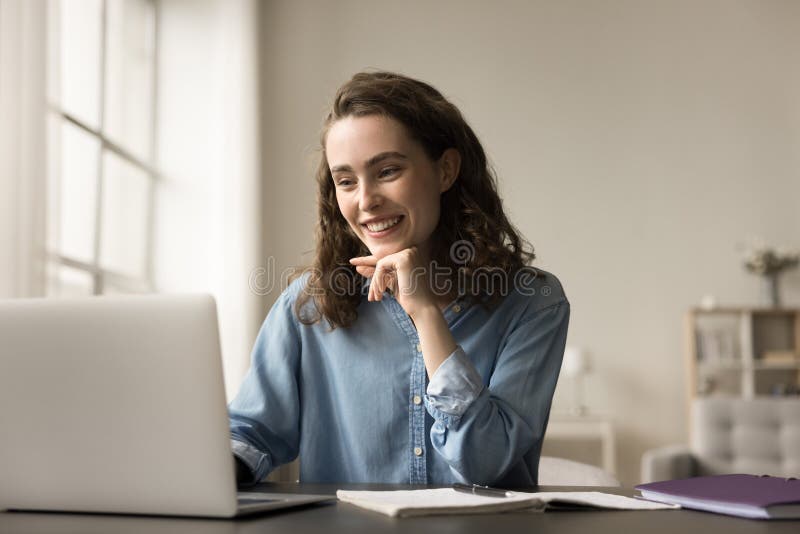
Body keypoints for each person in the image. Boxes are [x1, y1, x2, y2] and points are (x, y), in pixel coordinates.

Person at [228, 71, 569, 487]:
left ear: (445, 171)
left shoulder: (533, 302)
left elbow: (484, 461)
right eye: (346, 181)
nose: (366, 200)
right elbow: (251, 434)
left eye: (387, 171)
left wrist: (425, 313)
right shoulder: (308, 304)